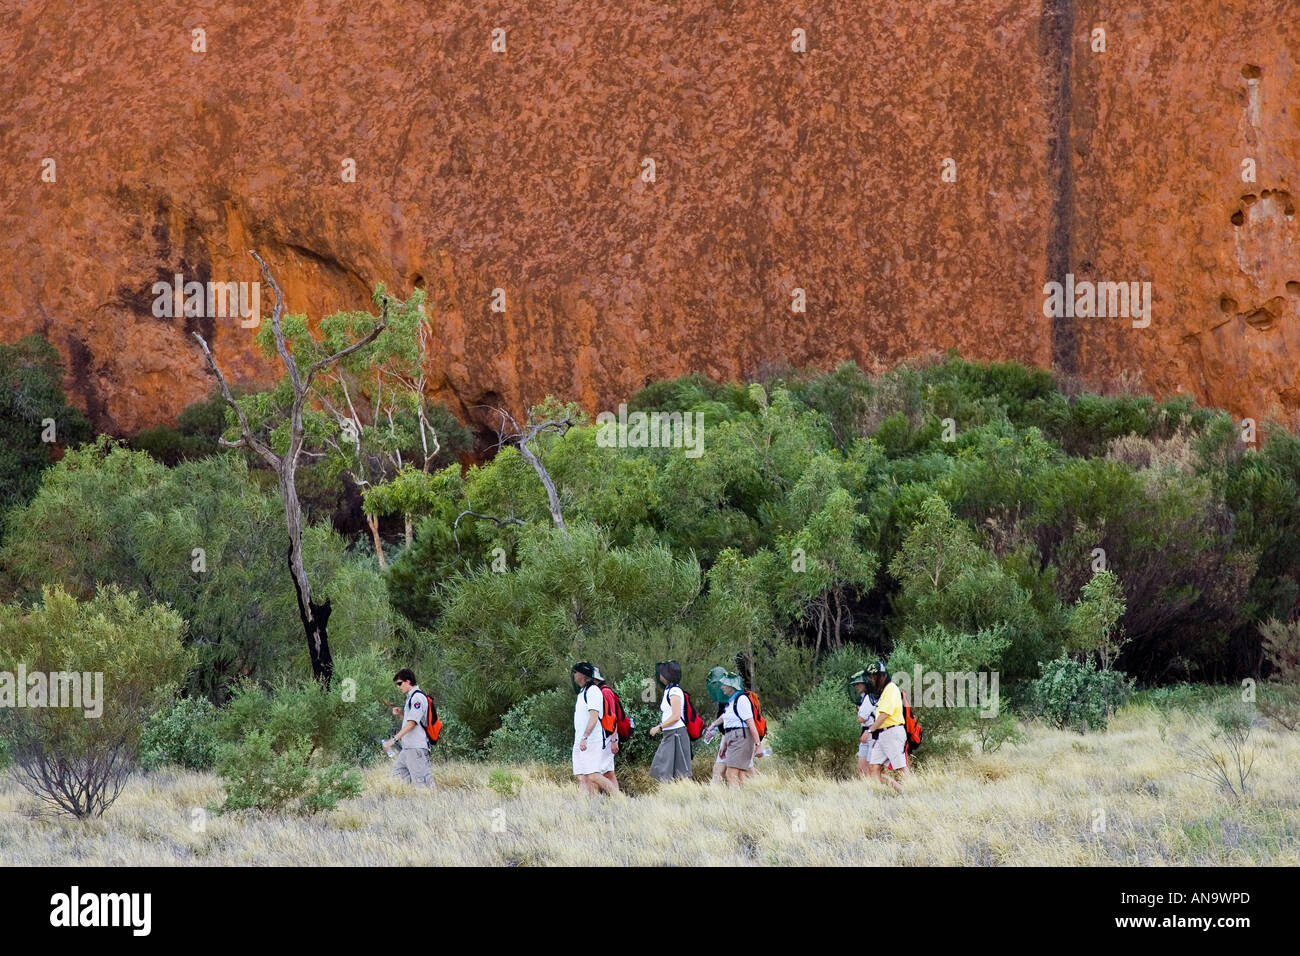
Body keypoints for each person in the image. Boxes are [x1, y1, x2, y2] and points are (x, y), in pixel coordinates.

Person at [571, 662, 618, 795]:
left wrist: (585, 737)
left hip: (592, 740)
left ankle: (621, 798)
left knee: (593, 775)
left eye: (575, 672)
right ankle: (587, 806)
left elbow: (594, 716)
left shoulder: (593, 691)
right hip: (579, 739)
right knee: (581, 776)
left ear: (582, 675)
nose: (573, 676)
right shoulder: (582, 692)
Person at [863, 660, 910, 792]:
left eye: (874, 676)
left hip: (893, 732)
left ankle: (911, 792)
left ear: (882, 676)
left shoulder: (891, 689)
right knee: (874, 768)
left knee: (900, 767)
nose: (872, 680)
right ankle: (899, 790)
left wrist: (870, 731)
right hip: (883, 734)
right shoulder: (884, 692)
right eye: (870, 677)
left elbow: (884, 715)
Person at [383, 668, 434, 788]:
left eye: (400, 683)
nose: (398, 686)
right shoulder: (410, 698)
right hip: (408, 748)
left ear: (408, 681)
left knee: (423, 786)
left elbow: (412, 724)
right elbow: (413, 721)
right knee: (397, 776)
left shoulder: (417, 698)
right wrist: (402, 714)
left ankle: (434, 804)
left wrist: (392, 740)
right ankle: (406, 803)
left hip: (416, 748)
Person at [647, 660, 692, 781]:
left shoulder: (674, 691)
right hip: (671, 734)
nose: (660, 675)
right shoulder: (669, 690)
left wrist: (659, 727)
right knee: (666, 770)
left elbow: (676, 716)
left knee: (678, 773)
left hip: (676, 734)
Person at [716, 673, 761, 787]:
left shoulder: (741, 700)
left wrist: (758, 745)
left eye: (724, 685)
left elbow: (751, 724)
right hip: (733, 738)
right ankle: (747, 798)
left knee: (731, 774)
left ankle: (734, 801)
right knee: (740, 774)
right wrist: (725, 744)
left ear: (731, 686)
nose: (722, 687)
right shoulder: (731, 702)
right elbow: (729, 724)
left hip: (741, 738)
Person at [591, 665, 621, 793]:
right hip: (605, 737)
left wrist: (614, 740)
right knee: (608, 772)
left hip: (608, 737)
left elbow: (612, 717)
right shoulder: (598, 692)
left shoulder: (605, 692)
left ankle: (615, 798)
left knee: (598, 773)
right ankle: (617, 799)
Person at [849, 669, 877, 778]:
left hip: (872, 733)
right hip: (865, 732)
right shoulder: (864, 698)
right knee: (862, 769)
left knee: (872, 769)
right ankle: (866, 790)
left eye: (859, 684)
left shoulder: (870, 698)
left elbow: (861, 718)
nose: (856, 686)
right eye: (855, 684)